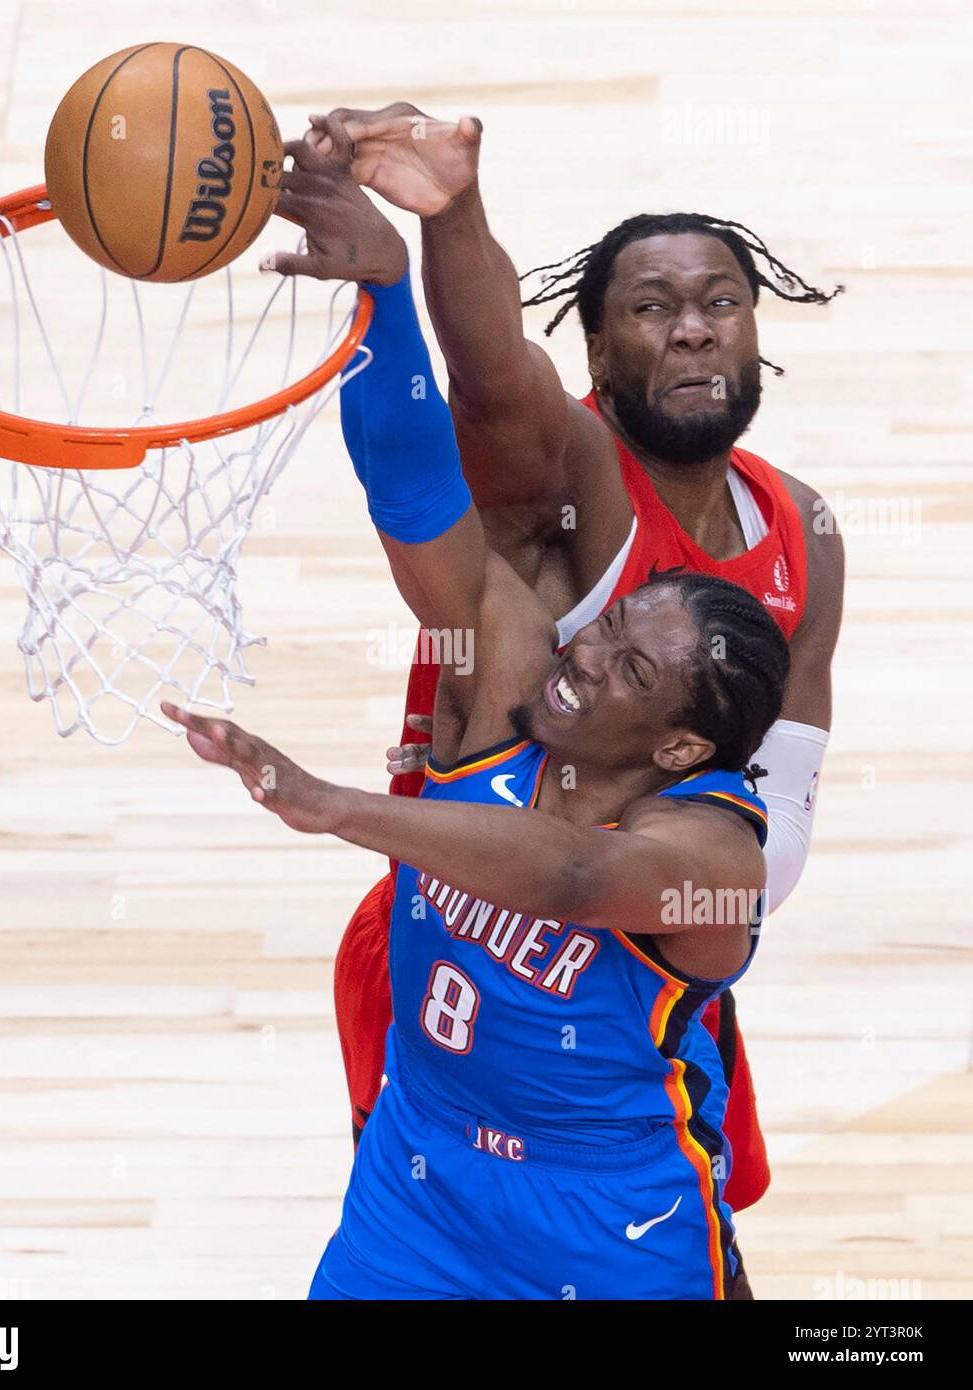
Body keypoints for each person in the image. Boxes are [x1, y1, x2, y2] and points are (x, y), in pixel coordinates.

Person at [164, 142, 790, 1297]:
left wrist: (331, 806)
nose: (580, 656)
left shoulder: (710, 860)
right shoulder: (514, 682)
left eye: (624, 671)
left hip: (607, 1221)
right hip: (421, 1178)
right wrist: (384, 296)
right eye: (608, 626)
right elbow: (415, 496)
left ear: (680, 747)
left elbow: (562, 879)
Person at [300, 107, 845, 1210]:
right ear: (594, 351)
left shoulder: (803, 528)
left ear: (752, 327)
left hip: (642, 967)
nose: (691, 330)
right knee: (438, 1234)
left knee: (693, 1237)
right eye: (650, 308)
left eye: (717, 303)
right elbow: (494, 381)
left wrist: (685, 879)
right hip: (459, 935)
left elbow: (780, 830)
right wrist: (454, 215)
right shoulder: (564, 476)